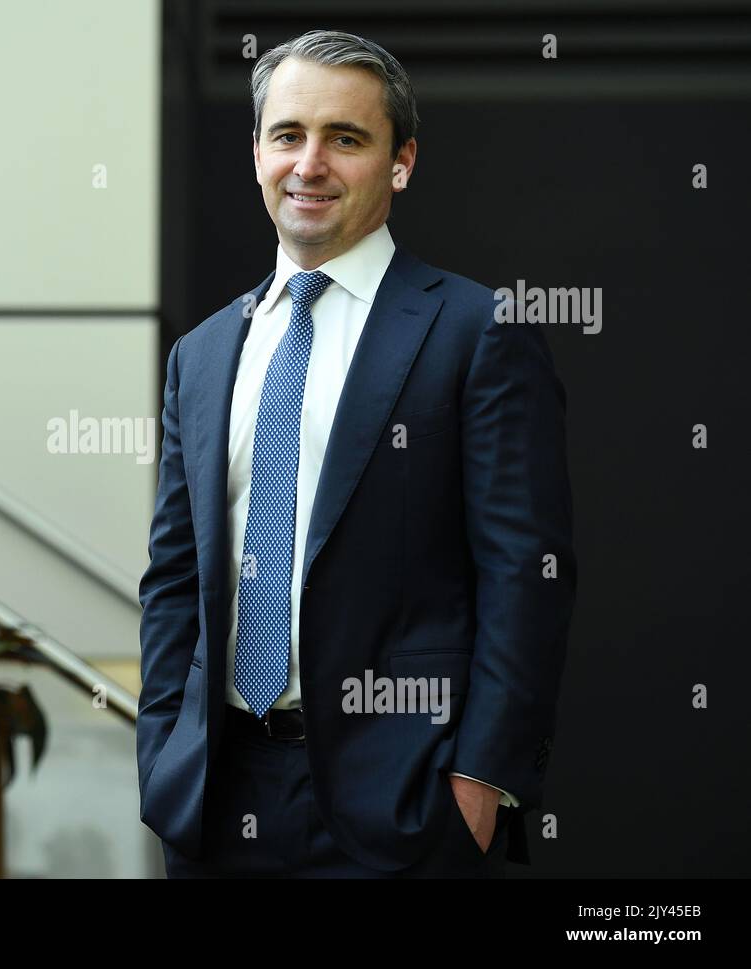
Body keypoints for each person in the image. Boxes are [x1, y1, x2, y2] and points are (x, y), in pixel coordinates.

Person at [136, 28, 576, 877]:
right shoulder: (202, 353)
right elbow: (173, 578)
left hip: (403, 807)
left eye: (345, 138)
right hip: (216, 800)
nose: (310, 164)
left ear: (400, 162)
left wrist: (480, 781)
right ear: (257, 154)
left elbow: (527, 575)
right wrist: (162, 754)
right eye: (288, 135)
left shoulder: (478, 331)